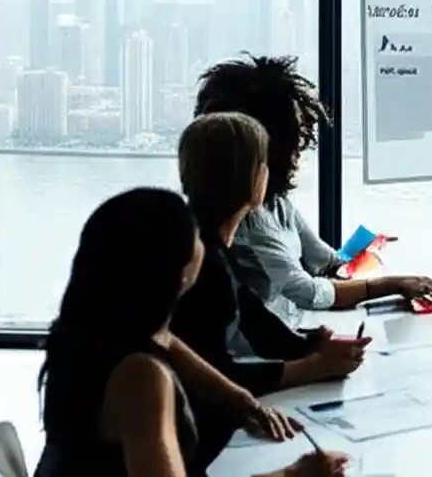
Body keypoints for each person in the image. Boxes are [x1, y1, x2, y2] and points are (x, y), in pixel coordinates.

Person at [34, 187, 347, 477]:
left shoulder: (97, 332)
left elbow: (175, 348)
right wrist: (291, 475)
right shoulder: (140, 376)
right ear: (176, 272)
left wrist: (246, 404)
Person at [172, 112, 371, 468]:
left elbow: (252, 318)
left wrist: (311, 343)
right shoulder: (201, 263)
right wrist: (312, 367)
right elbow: (216, 376)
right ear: (253, 179)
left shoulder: (203, 243)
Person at [194, 54, 432, 327]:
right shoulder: (248, 224)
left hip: (288, 338)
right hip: (262, 354)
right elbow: (307, 292)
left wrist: (370, 244)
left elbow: (327, 262)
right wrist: (391, 284)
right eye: (294, 145)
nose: (298, 156)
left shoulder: (276, 204)